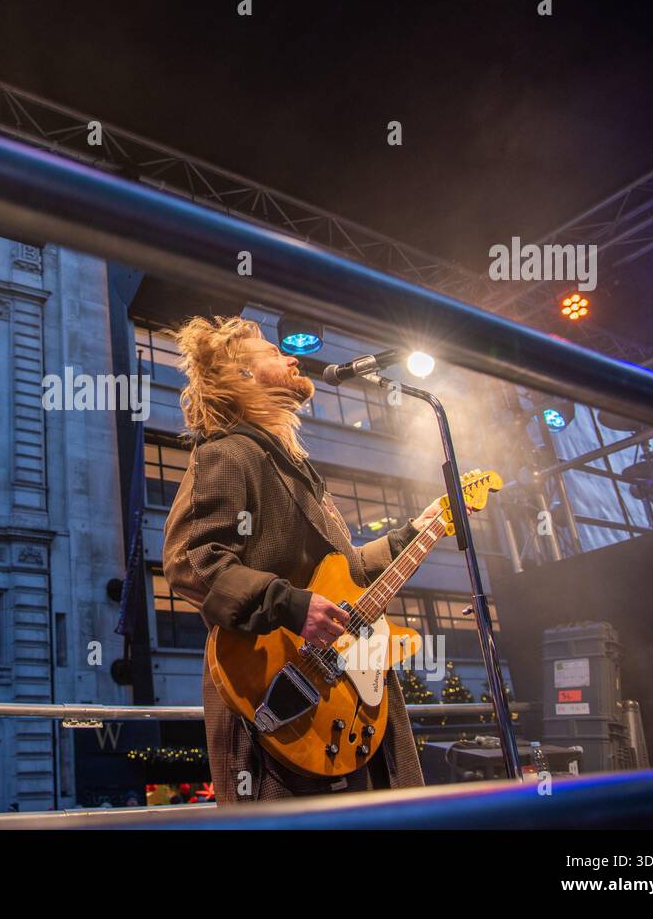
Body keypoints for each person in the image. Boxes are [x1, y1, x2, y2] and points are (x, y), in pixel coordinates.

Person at [161, 316, 445, 805]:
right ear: (244, 375)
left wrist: (409, 537)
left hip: (346, 696)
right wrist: (290, 606)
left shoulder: (293, 467)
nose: (292, 357)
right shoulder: (230, 454)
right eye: (274, 351)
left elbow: (344, 575)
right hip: (282, 695)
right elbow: (191, 559)